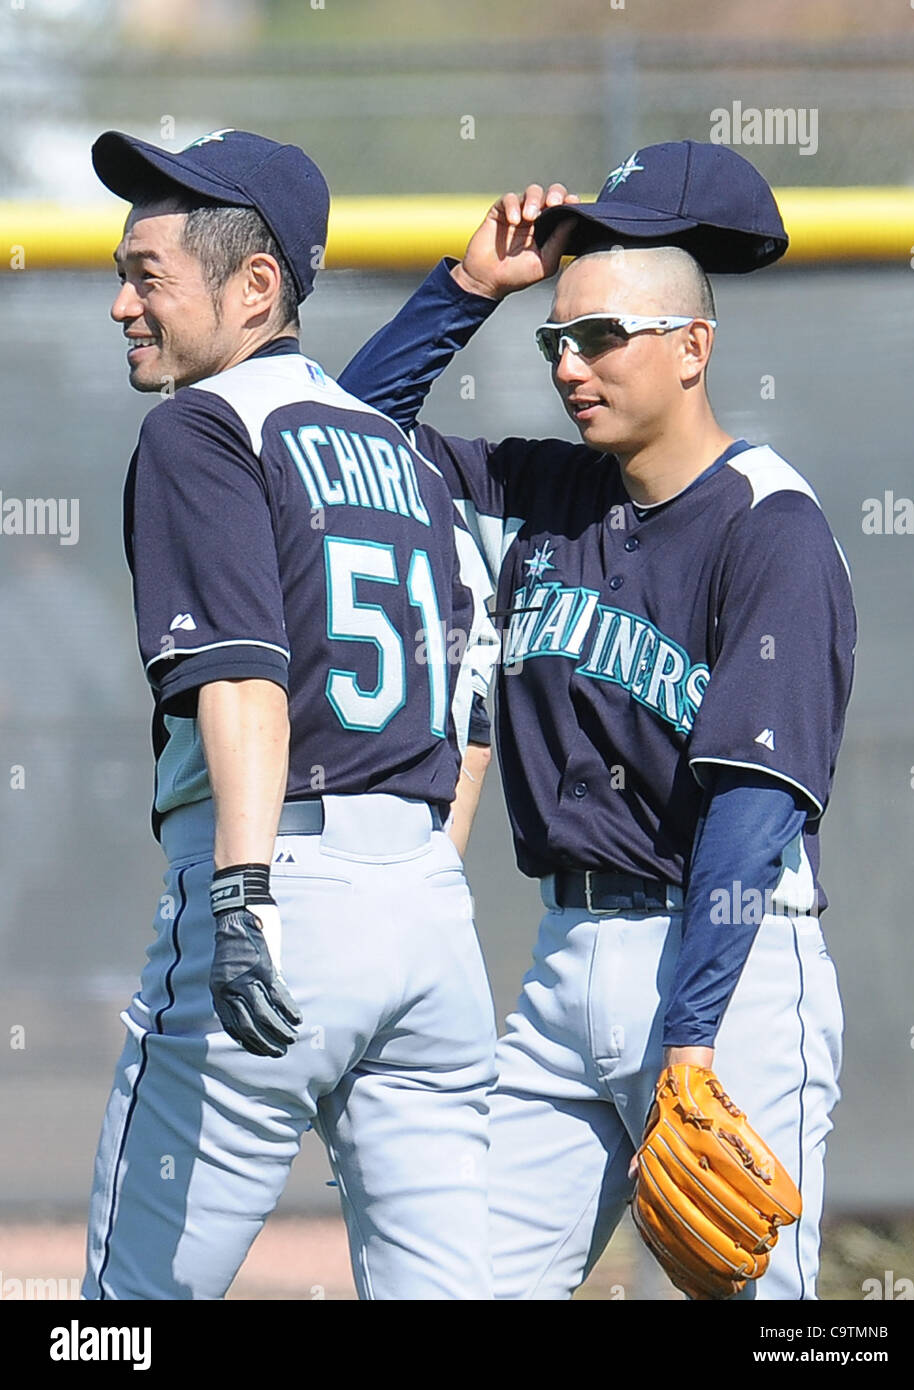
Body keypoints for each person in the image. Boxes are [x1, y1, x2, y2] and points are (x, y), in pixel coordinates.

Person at [339, 141, 856, 1300]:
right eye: (555, 341)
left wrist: (689, 1035)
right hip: (562, 962)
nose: (570, 366)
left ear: (690, 348)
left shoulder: (770, 524)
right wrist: (466, 291)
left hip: (726, 964)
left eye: (600, 337)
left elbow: (752, 802)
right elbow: (345, 449)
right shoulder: (539, 488)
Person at [82, 127, 499, 1301]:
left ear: (254, 286)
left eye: (146, 274)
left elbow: (242, 677)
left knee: (125, 1319)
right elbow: (470, 726)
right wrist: (418, 888)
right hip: (429, 925)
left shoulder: (198, 429)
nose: (121, 301)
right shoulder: (408, 458)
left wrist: (245, 890)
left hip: (278, 892)